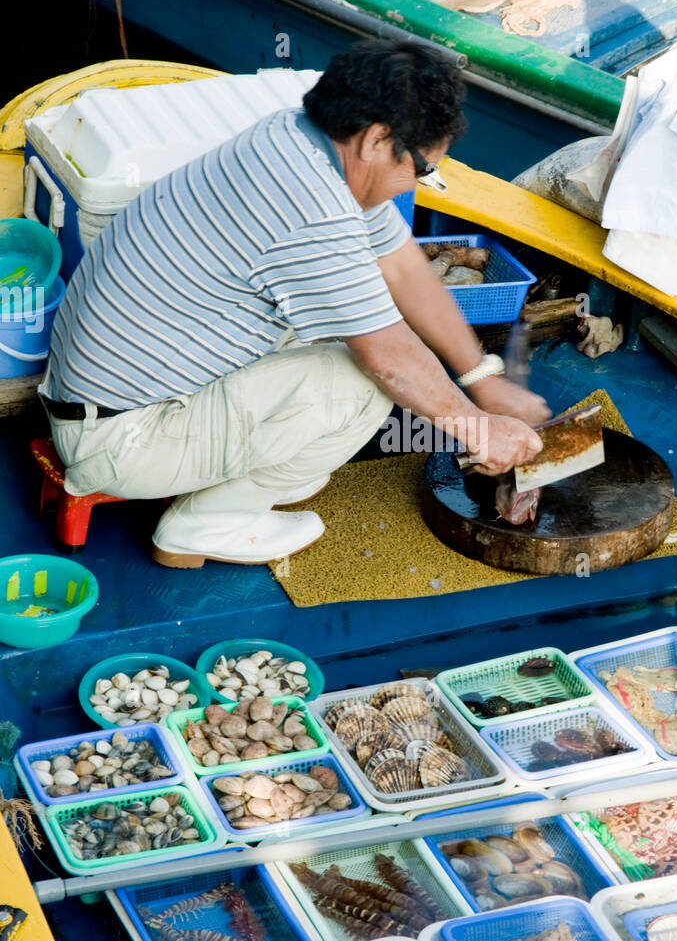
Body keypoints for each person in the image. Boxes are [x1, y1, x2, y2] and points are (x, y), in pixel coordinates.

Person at [41, 40, 549, 569]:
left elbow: (401, 264)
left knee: (363, 338)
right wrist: (476, 427)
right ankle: (206, 524)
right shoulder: (312, 209)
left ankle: (254, 473)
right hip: (119, 439)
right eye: (422, 170)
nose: (416, 182)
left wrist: (483, 380)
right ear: (377, 140)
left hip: (108, 396)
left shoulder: (297, 138)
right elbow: (388, 358)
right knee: (364, 385)